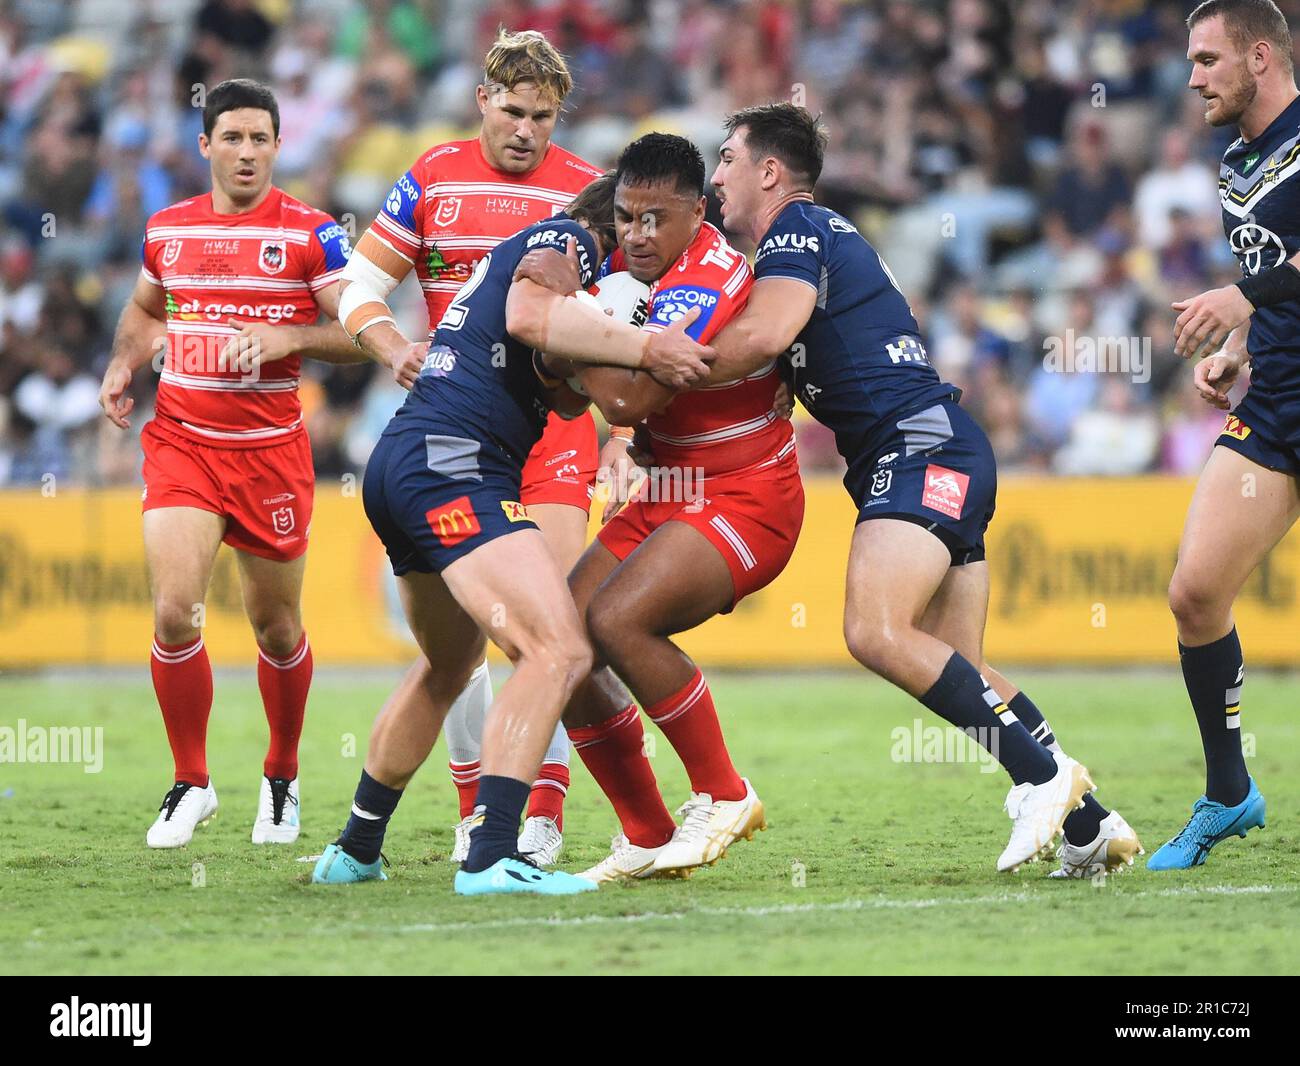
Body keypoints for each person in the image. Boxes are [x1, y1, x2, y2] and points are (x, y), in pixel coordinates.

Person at [702, 103, 1139, 875]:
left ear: (770, 171)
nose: (717, 176)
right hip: (936, 444)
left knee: (875, 631)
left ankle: (1044, 776)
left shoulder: (796, 231)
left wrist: (663, 357)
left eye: (727, 158)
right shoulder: (819, 239)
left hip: (917, 447)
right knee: (955, 664)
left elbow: (766, 337)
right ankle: (1090, 824)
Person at [313, 175, 715, 894]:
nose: (642, 251)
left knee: (447, 666)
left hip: (408, 459)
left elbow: (560, 380)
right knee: (558, 647)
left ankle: (355, 848)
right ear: (608, 232)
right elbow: (532, 318)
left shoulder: (529, 265)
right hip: (454, 465)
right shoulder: (562, 239)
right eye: (632, 236)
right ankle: (493, 852)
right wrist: (646, 343)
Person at [335, 28, 632, 866]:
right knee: (463, 646)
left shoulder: (583, 195)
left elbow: (609, 329)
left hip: (554, 434)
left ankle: (539, 816)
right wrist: (392, 345)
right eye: (512, 111)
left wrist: (626, 435)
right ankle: (478, 812)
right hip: (458, 421)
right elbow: (358, 287)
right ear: (481, 102)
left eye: (543, 115)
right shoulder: (432, 175)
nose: (527, 129)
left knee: (547, 631)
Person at [522, 133, 804, 882]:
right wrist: (580, 343)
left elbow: (628, 395)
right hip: (674, 486)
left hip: (747, 495)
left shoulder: (706, 271)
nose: (639, 236)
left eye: (656, 219)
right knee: (562, 640)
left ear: (698, 212)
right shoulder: (618, 261)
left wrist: (568, 337)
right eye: (627, 217)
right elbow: (566, 389)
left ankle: (724, 793)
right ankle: (645, 831)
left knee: (617, 619)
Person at [96, 79, 360, 848]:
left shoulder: (312, 235)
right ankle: (192, 782)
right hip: (183, 442)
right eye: (232, 138)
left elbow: (361, 330)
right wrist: (123, 362)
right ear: (205, 145)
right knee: (176, 611)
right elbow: (147, 309)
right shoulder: (167, 231)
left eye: (260, 139)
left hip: (271, 454)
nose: (247, 152)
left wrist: (291, 339)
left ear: (279, 146)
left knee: (276, 629)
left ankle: (281, 778)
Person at [1145, 0, 1300, 868]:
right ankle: (1229, 792)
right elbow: (1276, 269)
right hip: (1278, 400)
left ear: (1261, 56)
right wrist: (1238, 348)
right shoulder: (1239, 161)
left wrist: (1242, 302)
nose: (1194, 77)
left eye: (1208, 60)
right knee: (1195, 595)